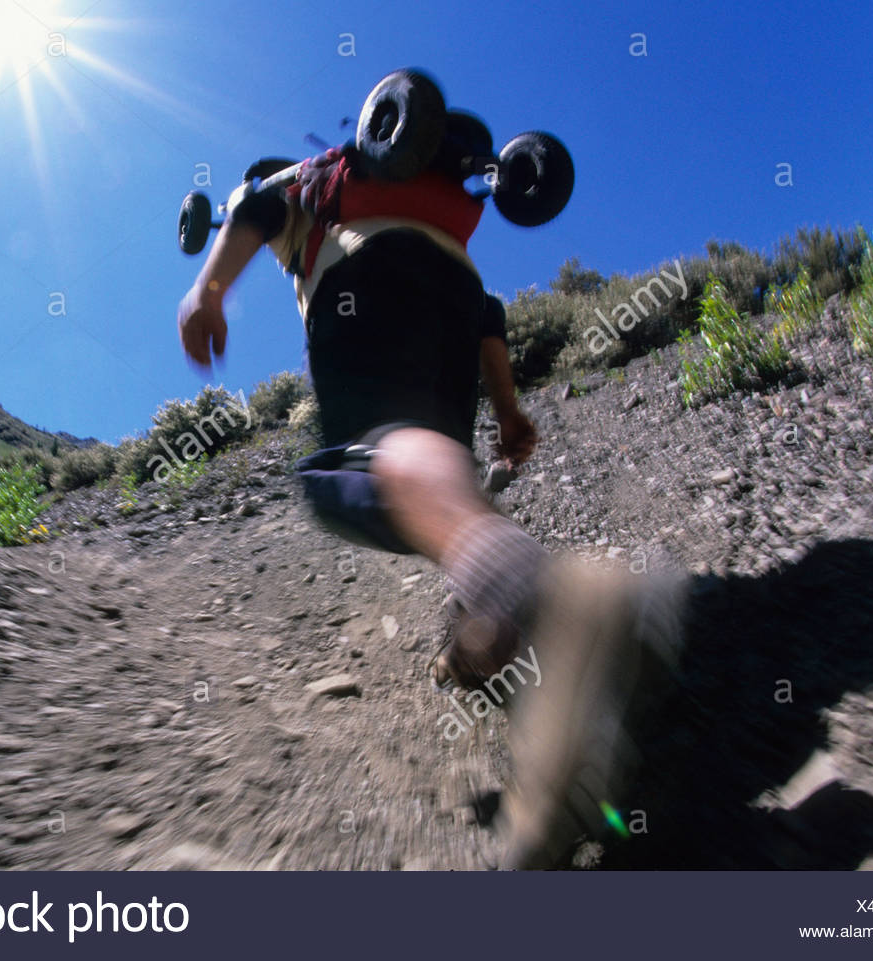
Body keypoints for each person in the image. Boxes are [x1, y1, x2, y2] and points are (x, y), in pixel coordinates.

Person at [175, 100, 681, 869]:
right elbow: (489, 312)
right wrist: (508, 410)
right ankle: (501, 658)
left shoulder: (305, 189)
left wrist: (209, 290)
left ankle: (544, 596)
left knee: (360, 462)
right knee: (437, 485)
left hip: (370, 281)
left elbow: (256, 202)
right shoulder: (435, 201)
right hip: (455, 299)